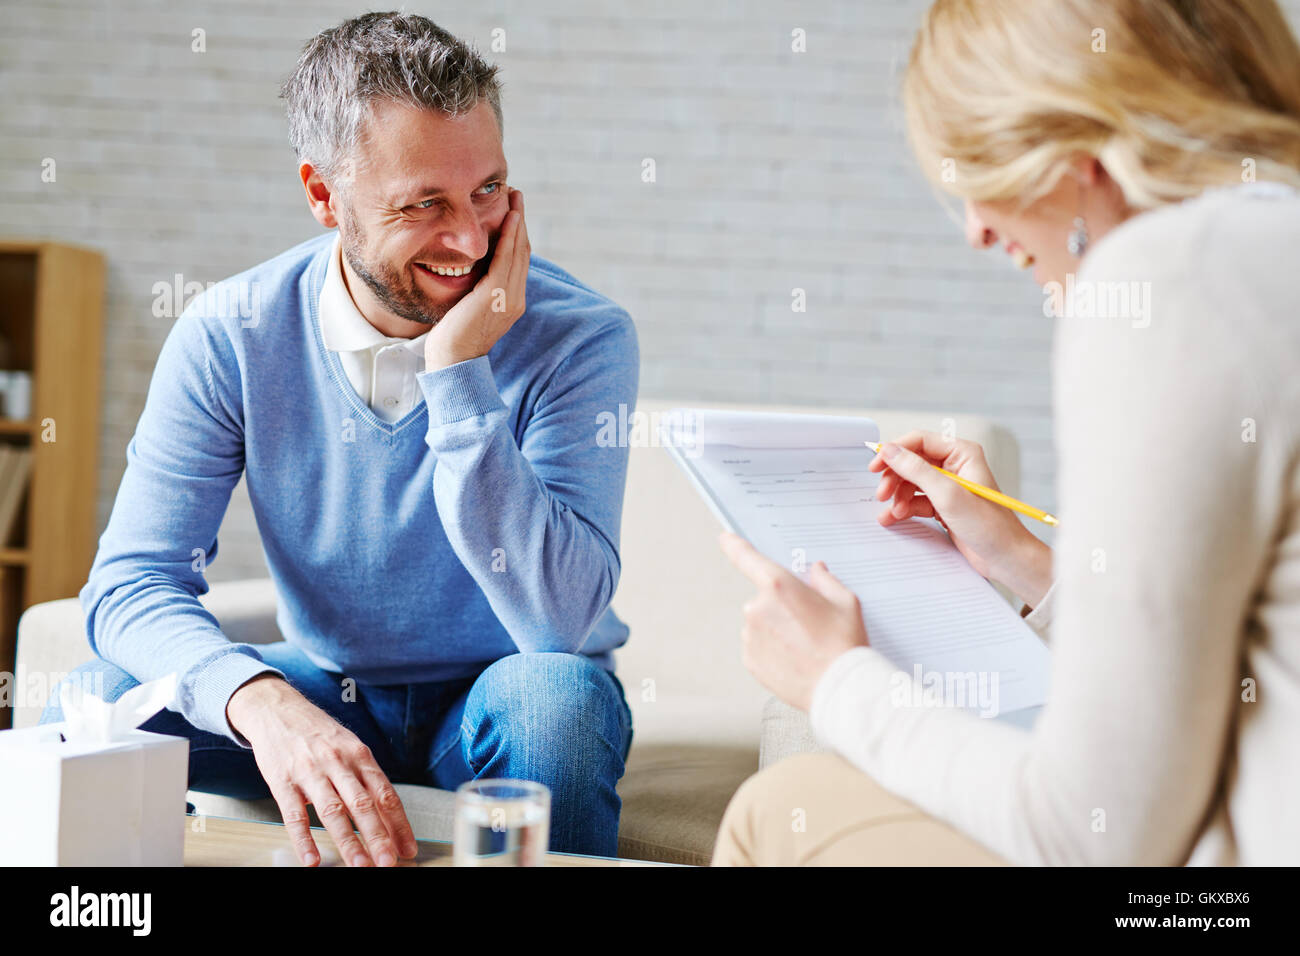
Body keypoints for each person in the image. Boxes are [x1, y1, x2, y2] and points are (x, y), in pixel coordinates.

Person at [41, 12, 639, 865]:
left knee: (556, 698)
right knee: (95, 702)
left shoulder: (580, 337)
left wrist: (458, 370)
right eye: (423, 204)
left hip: (502, 696)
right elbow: (131, 584)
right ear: (324, 197)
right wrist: (262, 702)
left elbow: (557, 622)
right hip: (328, 686)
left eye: (487, 191)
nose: (470, 240)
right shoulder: (232, 333)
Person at [713, 0, 1300, 866]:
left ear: (1075, 135)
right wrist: (1018, 559)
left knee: (784, 804)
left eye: (978, 168)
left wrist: (837, 680)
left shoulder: (1168, 282)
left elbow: (1096, 835)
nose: (979, 229)